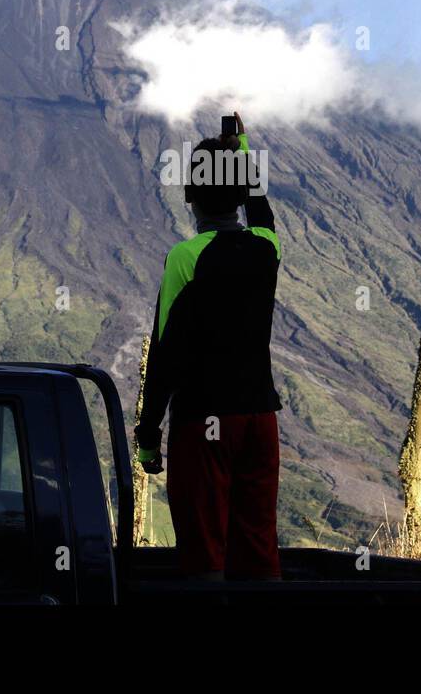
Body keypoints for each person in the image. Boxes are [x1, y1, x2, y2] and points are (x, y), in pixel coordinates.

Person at [135, 112, 283, 580]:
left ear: (189, 195)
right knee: (258, 544)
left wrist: (147, 433)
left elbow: (165, 353)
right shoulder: (267, 248)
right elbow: (260, 208)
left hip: (205, 422)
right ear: (240, 195)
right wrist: (238, 151)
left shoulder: (185, 257)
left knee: (204, 551)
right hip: (260, 420)